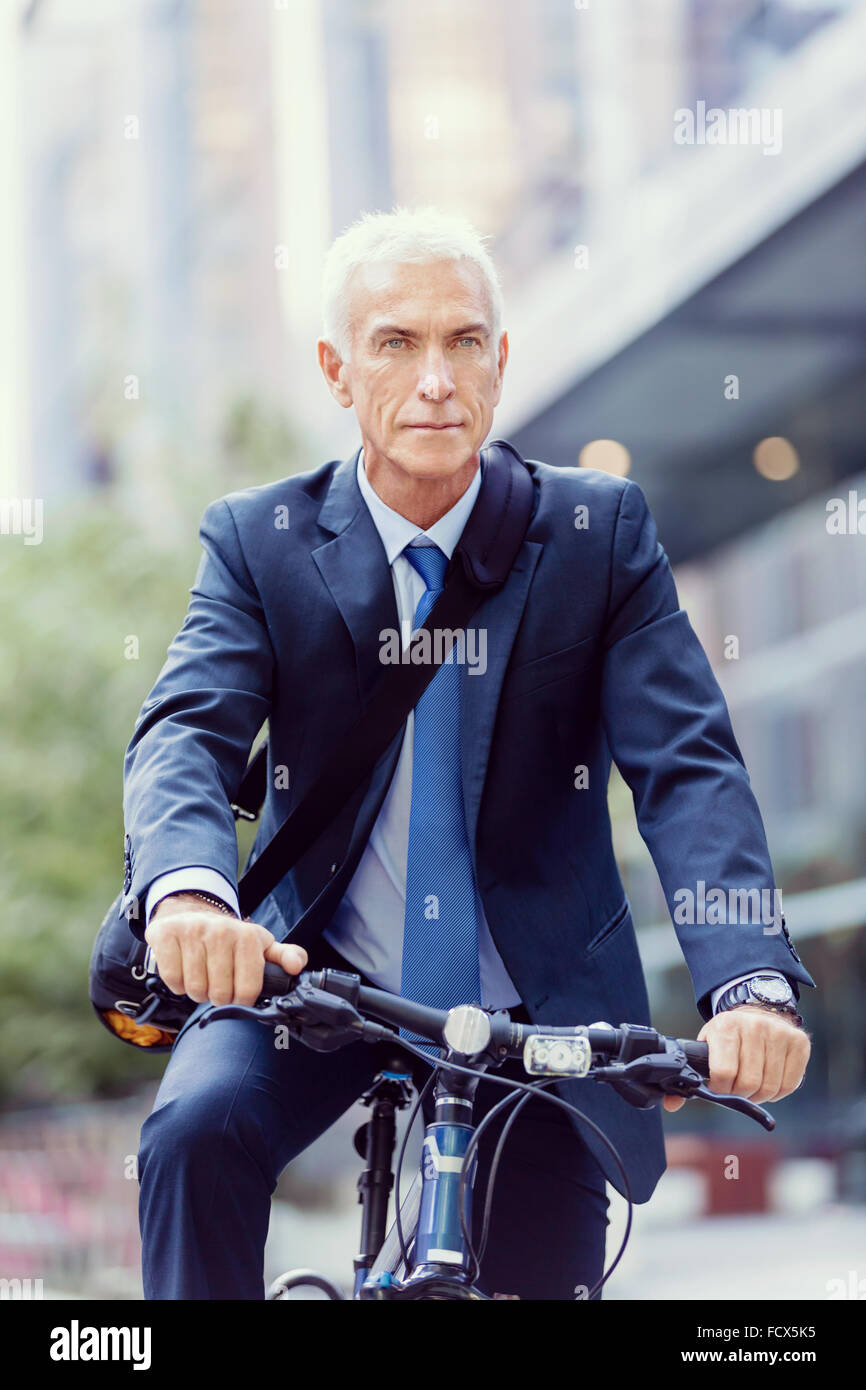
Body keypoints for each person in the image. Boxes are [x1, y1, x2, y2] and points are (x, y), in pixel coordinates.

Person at [122, 205, 814, 1300]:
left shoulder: (600, 534)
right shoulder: (260, 540)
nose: (435, 378)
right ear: (337, 371)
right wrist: (189, 895)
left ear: (501, 361)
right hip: (317, 982)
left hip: (535, 1007)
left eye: (464, 341)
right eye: (396, 343)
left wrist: (750, 984)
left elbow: (688, 770)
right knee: (193, 1134)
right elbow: (187, 730)